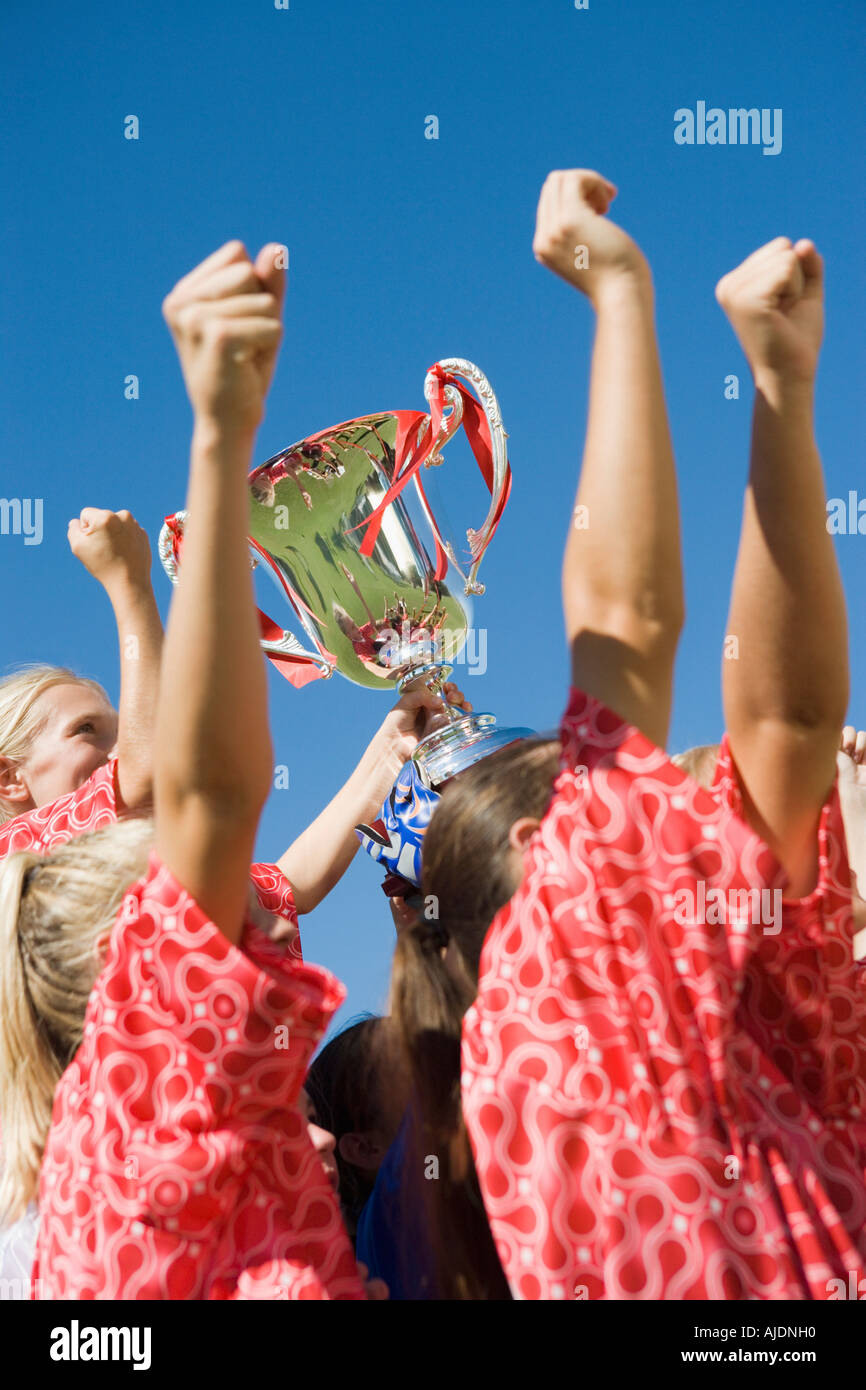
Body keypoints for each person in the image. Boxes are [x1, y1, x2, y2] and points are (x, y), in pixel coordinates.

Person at [420, 169, 866, 1300]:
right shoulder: (546, 1021)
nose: (675, 794)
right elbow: (626, 631)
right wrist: (616, 295)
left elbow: (787, 721)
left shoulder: (747, 1050)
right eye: (617, 791)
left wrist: (781, 387)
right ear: (541, 851)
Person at [19, 237, 410, 1298]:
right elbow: (196, 789)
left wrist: (389, 745)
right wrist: (211, 452)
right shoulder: (133, 1096)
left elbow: (258, 857)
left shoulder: (226, 1108)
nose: (118, 760)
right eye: (84, 736)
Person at [0, 508, 163, 855]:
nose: (122, 747)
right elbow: (150, 767)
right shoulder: (17, 863)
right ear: (9, 778)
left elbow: (289, 882)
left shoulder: (156, 865)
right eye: (86, 729)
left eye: (123, 732)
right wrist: (129, 581)